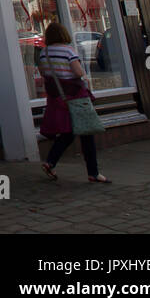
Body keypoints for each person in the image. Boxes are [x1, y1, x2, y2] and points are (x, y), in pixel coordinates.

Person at [37, 23, 111, 183]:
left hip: (57, 98)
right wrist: (84, 75)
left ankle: (50, 162)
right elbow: (77, 72)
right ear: (64, 35)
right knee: (86, 132)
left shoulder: (44, 53)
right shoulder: (68, 51)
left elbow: (44, 73)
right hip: (75, 96)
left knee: (67, 132)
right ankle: (93, 172)